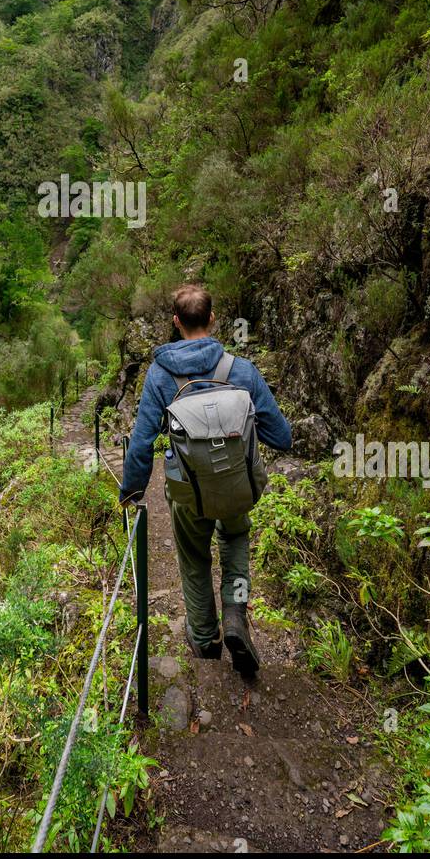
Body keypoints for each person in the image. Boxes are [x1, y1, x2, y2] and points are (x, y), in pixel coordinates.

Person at [120, 284, 291, 673]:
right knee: (234, 539)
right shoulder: (241, 370)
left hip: (188, 493)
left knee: (195, 559)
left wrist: (131, 491)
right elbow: (281, 436)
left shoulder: (160, 376)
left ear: (176, 322)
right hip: (236, 488)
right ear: (213, 320)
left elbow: (143, 441)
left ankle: (204, 643)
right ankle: (235, 614)